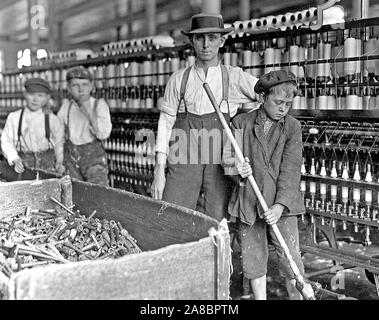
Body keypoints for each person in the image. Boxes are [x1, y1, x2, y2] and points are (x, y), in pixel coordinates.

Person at [151, 13, 260, 221]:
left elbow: (268, 93)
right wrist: (159, 171)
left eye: (212, 37)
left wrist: (245, 129)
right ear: (192, 40)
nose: (206, 44)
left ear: (222, 40)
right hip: (183, 154)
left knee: (217, 220)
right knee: (173, 214)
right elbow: (165, 125)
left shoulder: (234, 77)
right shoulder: (178, 79)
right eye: (200, 38)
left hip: (220, 158)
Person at [222, 70, 305, 300]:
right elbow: (228, 159)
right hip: (249, 201)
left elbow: (290, 171)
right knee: (254, 260)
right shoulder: (241, 122)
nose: (283, 109)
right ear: (262, 98)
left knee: (291, 260)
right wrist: (236, 168)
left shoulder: (292, 127)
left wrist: (279, 206)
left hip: (283, 206)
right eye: (278, 102)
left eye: (288, 104)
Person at [58, 66, 112, 186]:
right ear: (68, 87)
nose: (81, 89)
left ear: (91, 86)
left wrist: (89, 112)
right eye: (75, 85)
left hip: (93, 160)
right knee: (74, 193)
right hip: (71, 159)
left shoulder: (99, 105)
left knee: (99, 193)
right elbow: (57, 136)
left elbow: (104, 134)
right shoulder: (66, 107)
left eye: (85, 84)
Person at [1, 77, 65, 175]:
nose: (35, 99)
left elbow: (59, 144)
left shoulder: (53, 120)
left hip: (47, 167)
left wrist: (59, 163)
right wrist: (14, 158)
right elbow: (6, 141)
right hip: (23, 167)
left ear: (47, 98)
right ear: (25, 94)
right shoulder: (14, 117)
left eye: (40, 95)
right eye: (31, 94)